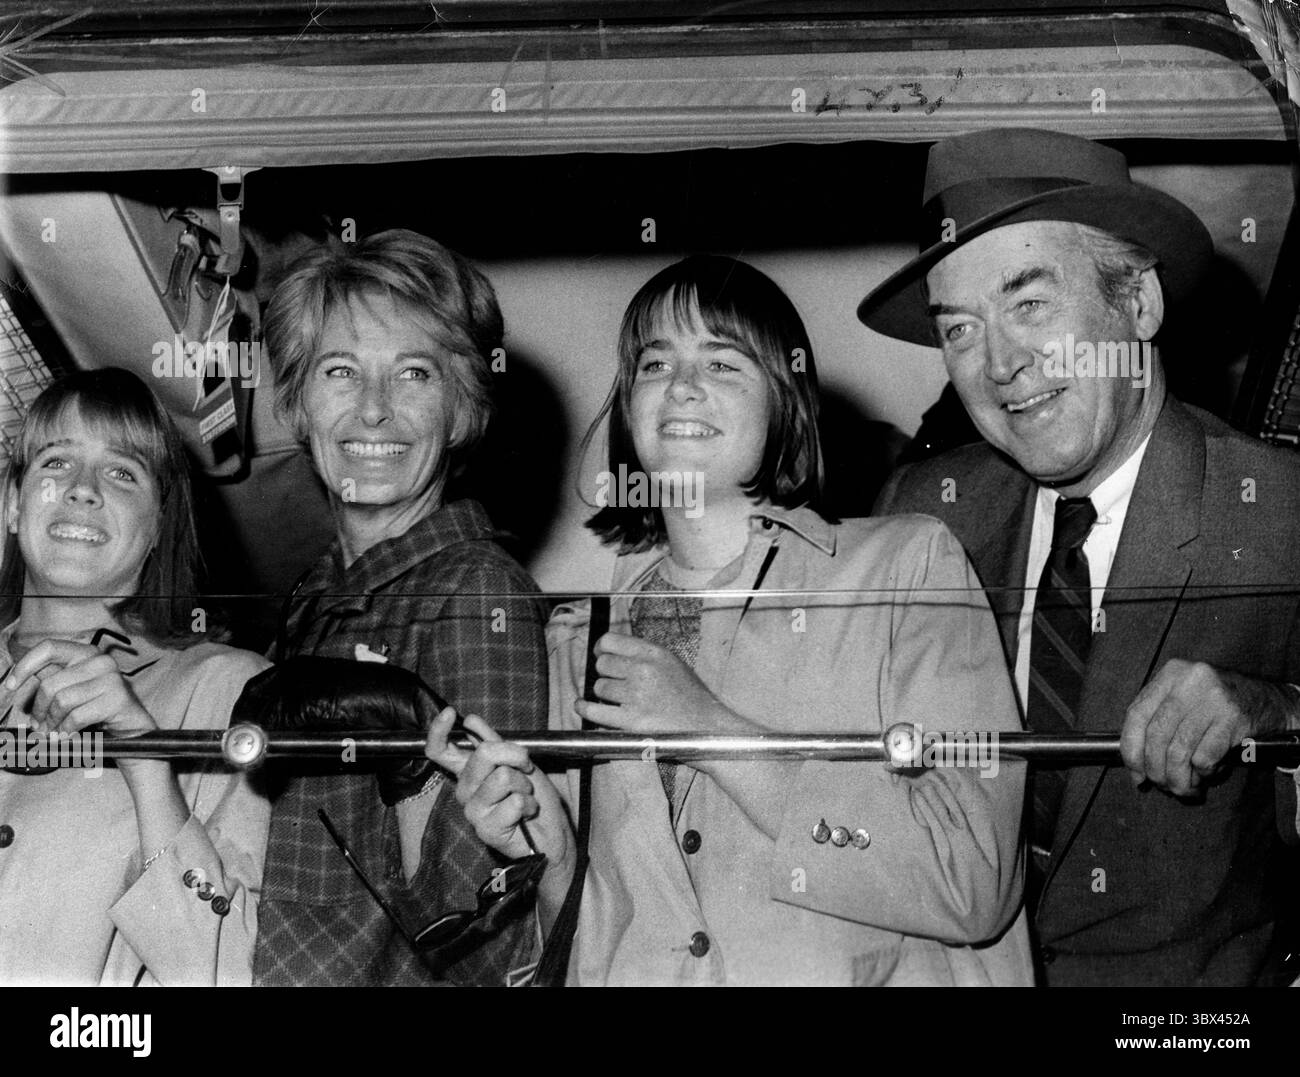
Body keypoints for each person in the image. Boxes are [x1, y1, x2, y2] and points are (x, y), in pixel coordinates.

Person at [429, 254, 1031, 986]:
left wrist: (717, 735)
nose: (681, 386)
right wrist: (548, 850)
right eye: (654, 364)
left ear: (785, 401)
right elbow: (595, 945)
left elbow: (974, 879)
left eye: (721, 364)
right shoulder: (582, 638)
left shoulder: (906, 568)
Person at [859, 127, 1300, 986]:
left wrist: (1272, 710)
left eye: (1029, 304)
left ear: (1138, 305)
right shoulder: (923, 512)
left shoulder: (1281, 509)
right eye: (960, 330)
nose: (1000, 365)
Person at [252, 228, 548, 986]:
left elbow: (489, 936)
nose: (374, 411)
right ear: (296, 402)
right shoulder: (311, 599)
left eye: (413, 373)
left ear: (461, 410)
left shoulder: (477, 589)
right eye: (340, 371)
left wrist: (414, 775)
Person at [0, 368, 270, 986]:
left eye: (123, 473)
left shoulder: (228, 691)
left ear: (157, 530)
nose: (84, 490)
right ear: (15, 505)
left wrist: (145, 758)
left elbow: (224, 970)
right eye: (56, 462)